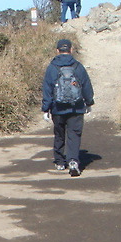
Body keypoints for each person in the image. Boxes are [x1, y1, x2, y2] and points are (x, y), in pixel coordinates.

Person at [41, 39, 94, 177]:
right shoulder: (78, 66)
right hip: (76, 108)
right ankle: (73, 161)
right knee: (74, 135)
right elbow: (86, 86)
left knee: (59, 134)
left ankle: (59, 161)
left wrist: (46, 109)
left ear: (57, 51)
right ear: (71, 50)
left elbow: (47, 89)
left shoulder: (52, 67)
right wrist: (89, 103)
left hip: (57, 109)